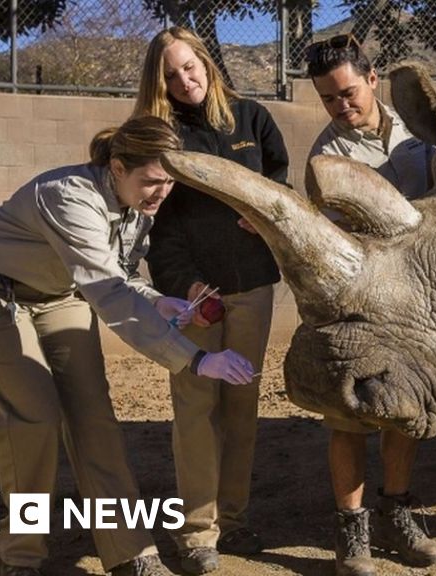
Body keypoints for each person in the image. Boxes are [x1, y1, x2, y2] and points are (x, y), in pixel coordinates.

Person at [0, 116, 255, 576]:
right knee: (36, 415)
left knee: (94, 418)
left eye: (168, 182)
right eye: (151, 181)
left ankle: (131, 554)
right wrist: (197, 360)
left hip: (58, 294)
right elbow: (108, 292)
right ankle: (21, 558)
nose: (161, 193)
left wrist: (158, 301)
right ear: (117, 167)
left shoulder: (135, 204)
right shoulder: (68, 196)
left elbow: (121, 276)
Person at [305, 34, 436, 576]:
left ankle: (397, 513)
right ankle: (351, 531)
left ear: (372, 80)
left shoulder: (419, 132)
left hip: (420, 299)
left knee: (403, 409)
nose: (340, 106)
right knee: (349, 417)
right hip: (361, 302)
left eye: (348, 92)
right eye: (328, 99)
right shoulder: (327, 157)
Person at [132, 26, 289, 575]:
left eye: (190, 67)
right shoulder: (161, 137)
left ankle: (235, 519)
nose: (184, 80)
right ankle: (197, 533)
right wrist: (188, 286)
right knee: (196, 409)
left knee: (241, 407)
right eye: (171, 74)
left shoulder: (253, 120)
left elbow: (281, 182)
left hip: (253, 289)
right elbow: (160, 229)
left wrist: (267, 214)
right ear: (161, 83)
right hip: (196, 296)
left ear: (207, 63)